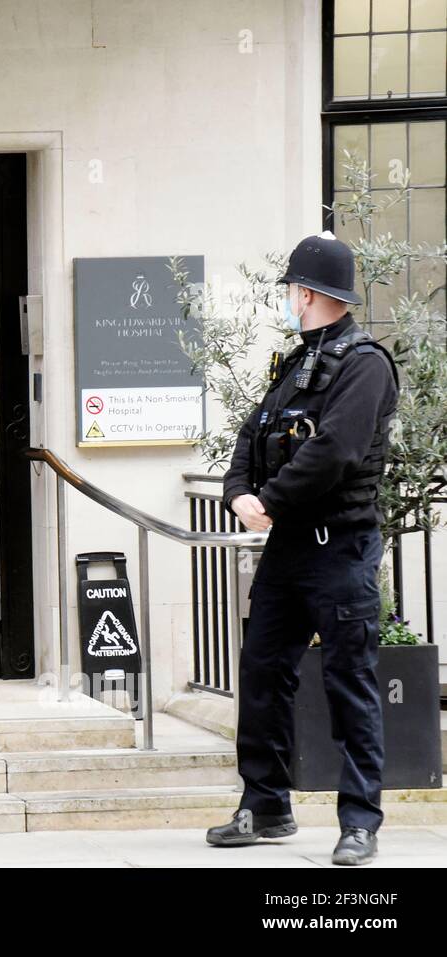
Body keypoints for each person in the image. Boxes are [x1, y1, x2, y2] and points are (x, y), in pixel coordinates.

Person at [206, 232, 399, 866]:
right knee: (262, 675)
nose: (287, 299)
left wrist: (272, 501)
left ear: (309, 293)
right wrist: (239, 492)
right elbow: (251, 434)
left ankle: (360, 819)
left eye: (291, 290)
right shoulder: (294, 363)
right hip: (288, 552)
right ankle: (264, 807)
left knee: (350, 683)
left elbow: (337, 451)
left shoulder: (364, 364)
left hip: (340, 549)